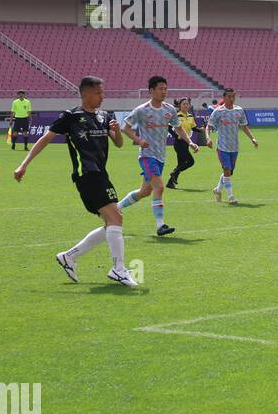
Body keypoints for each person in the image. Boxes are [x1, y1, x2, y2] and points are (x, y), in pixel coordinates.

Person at [12, 76, 137, 287]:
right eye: (98, 93)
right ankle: (118, 269)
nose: (102, 97)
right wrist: (24, 164)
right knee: (115, 217)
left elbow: (119, 144)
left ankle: (69, 256)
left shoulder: (104, 116)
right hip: (86, 174)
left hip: (101, 173)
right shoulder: (71, 116)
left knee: (113, 221)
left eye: (103, 93)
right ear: (85, 94)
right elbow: (45, 140)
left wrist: (115, 133)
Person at [118, 76, 197, 236]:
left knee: (144, 192)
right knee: (159, 187)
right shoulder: (142, 110)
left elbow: (178, 128)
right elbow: (125, 127)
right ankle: (160, 226)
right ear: (151, 91)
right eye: (160, 88)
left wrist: (190, 142)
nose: (164, 91)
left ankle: (115, 208)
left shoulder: (169, 110)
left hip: (161, 157)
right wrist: (138, 140)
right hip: (147, 156)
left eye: (165, 88)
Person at [206, 87, 257, 204]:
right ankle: (231, 197)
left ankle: (217, 190)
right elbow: (209, 125)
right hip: (222, 147)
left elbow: (244, 126)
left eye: (233, 96)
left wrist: (252, 138)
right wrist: (208, 138)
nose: (231, 98)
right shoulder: (218, 111)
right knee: (227, 170)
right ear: (224, 97)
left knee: (229, 172)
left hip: (234, 147)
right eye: (229, 96)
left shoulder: (239, 110)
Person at [165, 97, 199, 189]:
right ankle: (174, 172)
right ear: (180, 106)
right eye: (184, 104)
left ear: (190, 105)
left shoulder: (190, 116)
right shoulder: (177, 115)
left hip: (186, 142)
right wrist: (175, 136)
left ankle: (170, 183)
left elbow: (193, 128)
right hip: (179, 142)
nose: (186, 105)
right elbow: (168, 127)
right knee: (191, 162)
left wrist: (201, 130)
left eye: (187, 104)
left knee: (180, 164)